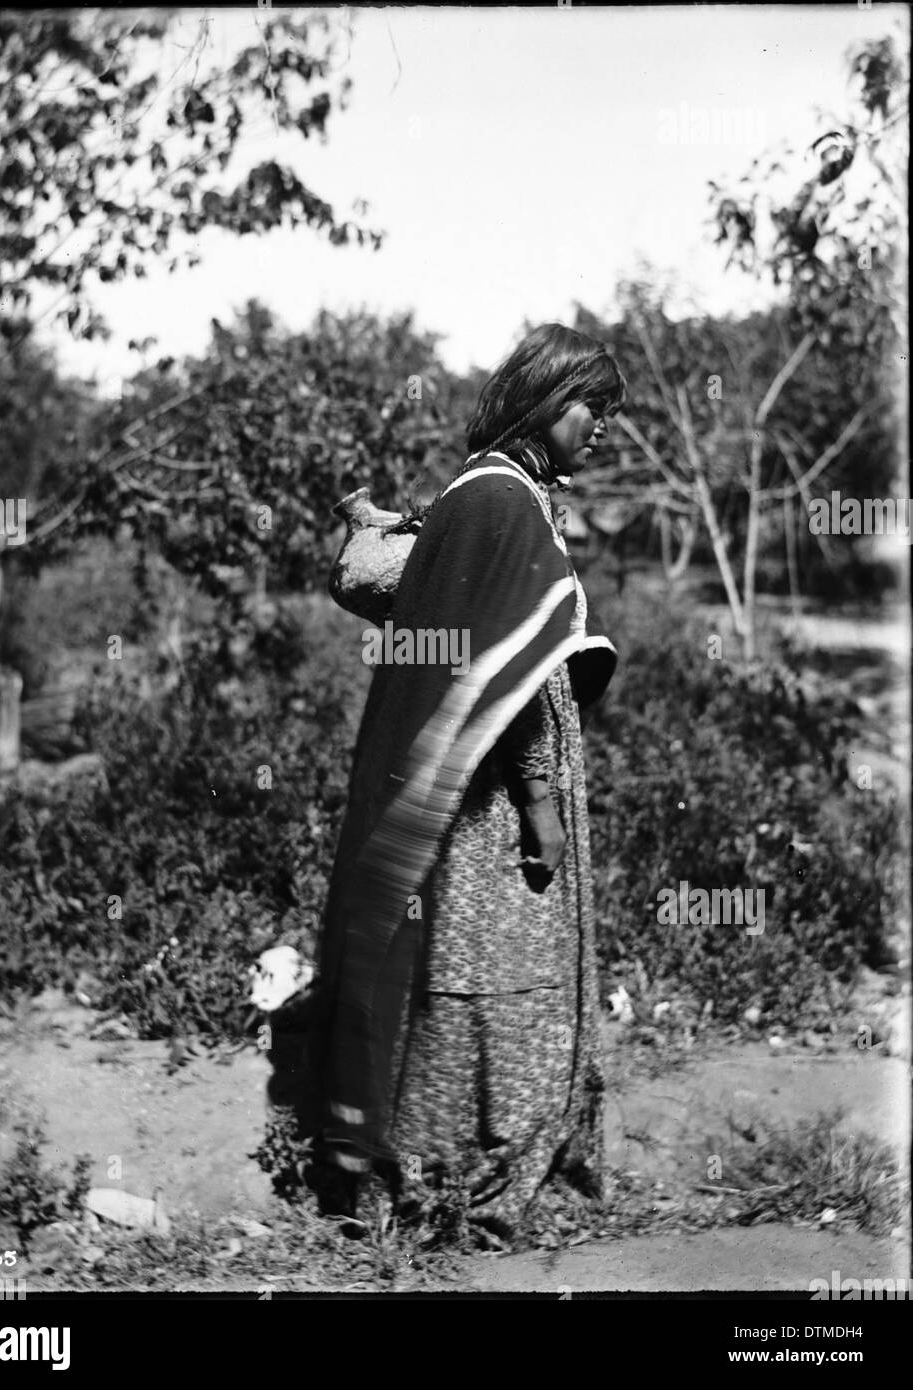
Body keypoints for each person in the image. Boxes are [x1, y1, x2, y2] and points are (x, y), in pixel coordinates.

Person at [313, 323, 628, 1243]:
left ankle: (445, 1174)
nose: (602, 429)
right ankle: (477, 1185)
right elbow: (508, 668)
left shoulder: (482, 490)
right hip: (494, 795)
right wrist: (540, 802)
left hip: (468, 782)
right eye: (590, 408)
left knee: (467, 971)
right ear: (542, 402)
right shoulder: (502, 502)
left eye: (607, 412)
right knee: (500, 976)